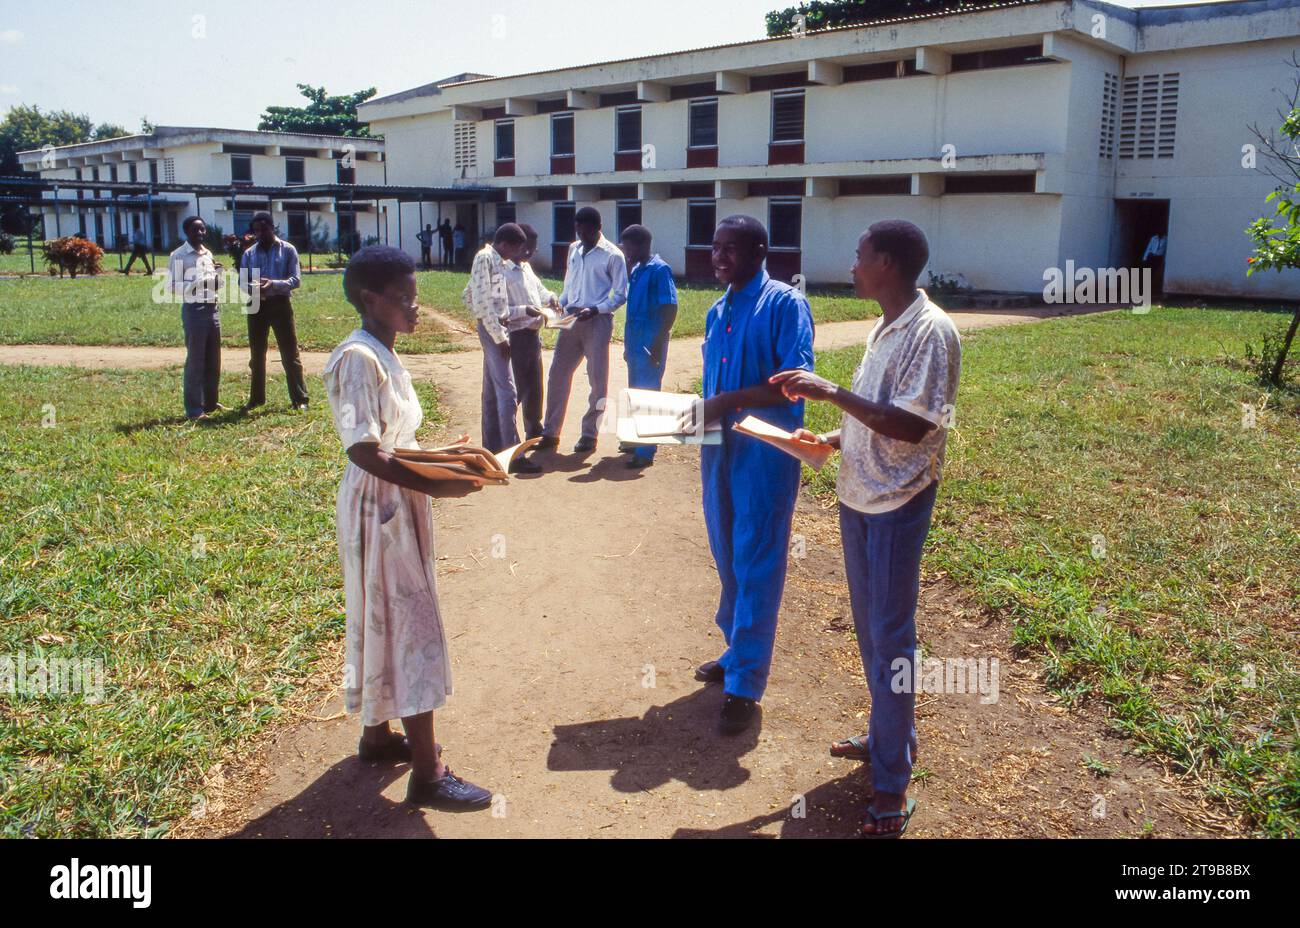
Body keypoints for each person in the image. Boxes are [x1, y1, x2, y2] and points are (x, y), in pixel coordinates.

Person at [772, 220, 961, 838]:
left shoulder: (931, 332)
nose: (851, 266)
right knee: (873, 634)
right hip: (859, 494)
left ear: (885, 261)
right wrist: (828, 437)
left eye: (859, 255)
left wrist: (828, 393)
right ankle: (889, 734)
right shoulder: (886, 325)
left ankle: (890, 784)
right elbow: (877, 414)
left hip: (896, 502)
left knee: (891, 638)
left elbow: (911, 426)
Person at [323, 245, 494, 811]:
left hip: (395, 500)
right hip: (382, 507)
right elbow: (367, 452)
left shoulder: (382, 353)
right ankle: (428, 771)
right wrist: (438, 484)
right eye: (404, 298)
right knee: (410, 624)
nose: (415, 306)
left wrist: (452, 457)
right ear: (370, 299)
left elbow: (395, 441)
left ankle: (376, 737)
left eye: (415, 294)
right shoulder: (357, 360)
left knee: (385, 617)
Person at [680, 215, 814, 736]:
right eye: (714, 248)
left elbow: (795, 382)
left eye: (730, 249)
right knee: (726, 552)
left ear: (760, 251)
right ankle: (737, 649)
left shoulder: (785, 303)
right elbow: (715, 386)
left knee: (757, 558)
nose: (718, 257)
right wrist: (693, 415)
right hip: (719, 452)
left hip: (765, 453)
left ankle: (745, 683)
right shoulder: (717, 311)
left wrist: (729, 401)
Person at [538, 207, 628, 455]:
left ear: (597, 228)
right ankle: (550, 432)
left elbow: (620, 294)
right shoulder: (573, 249)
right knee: (557, 376)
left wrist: (597, 309)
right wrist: (560, 304)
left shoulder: (613, 255)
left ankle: (590, 434)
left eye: (585, 230)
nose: (581, 234)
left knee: (598, 381)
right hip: (571, 318)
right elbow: (570, 284)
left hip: (596, 321)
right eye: (577, 229)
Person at [462, 222, 541, 472]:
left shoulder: (496, 260)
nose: (514, 256)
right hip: (494, 330)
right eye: (514, 250)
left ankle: (492, 449)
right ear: (504, 244)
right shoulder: (485, 258)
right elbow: (484, 303)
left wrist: (510, 315)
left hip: (498, 325)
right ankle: (512, 455)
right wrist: (499, 337)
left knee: (491, 391)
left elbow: (471, 295)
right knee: (508, 392)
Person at [617, 224, 678, 469]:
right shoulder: (637, 270)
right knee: (635, 392)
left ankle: (646, 451)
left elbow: (669, 308)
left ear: (641, 245)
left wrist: (656, 343)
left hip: (651, 341)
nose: (626, 251)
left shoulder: (660, 270)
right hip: (635, 340)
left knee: (649, 394)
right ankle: (634, 439)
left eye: (628, 246)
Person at [239, 211, 310, 411]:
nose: (260, 234)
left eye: (264, 229)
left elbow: (295, 280)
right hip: (256, 304)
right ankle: (256, 398)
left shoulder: (287, 250)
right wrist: (253, 286)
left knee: (289, 353)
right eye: (256, 231)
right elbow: (241, 281)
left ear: (272, 228)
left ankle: (300, 398)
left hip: (280, 304)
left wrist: (273, 284)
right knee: (257, 354)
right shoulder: (249, 253)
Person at [502, 224, 558, 444]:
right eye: (526, 248)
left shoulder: (526, 268)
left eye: (533, 250)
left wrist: (551, 298)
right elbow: (501, 310)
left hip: (533, 337)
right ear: (516, 245)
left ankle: (534, 429)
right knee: (517, 386)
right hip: (516, 336)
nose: (528, 254)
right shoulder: (503, 271)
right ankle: (509, 435)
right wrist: (524, 310)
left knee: (535, 386)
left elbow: (541, 291)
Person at [167, 216, 224, 420]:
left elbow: (216, 283)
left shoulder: (207, 254)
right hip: (194, 309)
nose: (199, 233)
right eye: (195, 230)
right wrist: (195, 285)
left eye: (202, 230)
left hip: (212, 308)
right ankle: (194, 409)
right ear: (187, 232)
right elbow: (171, 286)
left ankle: (210, 402)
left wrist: (219, 276)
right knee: (196, 360)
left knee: (213, 359)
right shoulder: (179, 255)